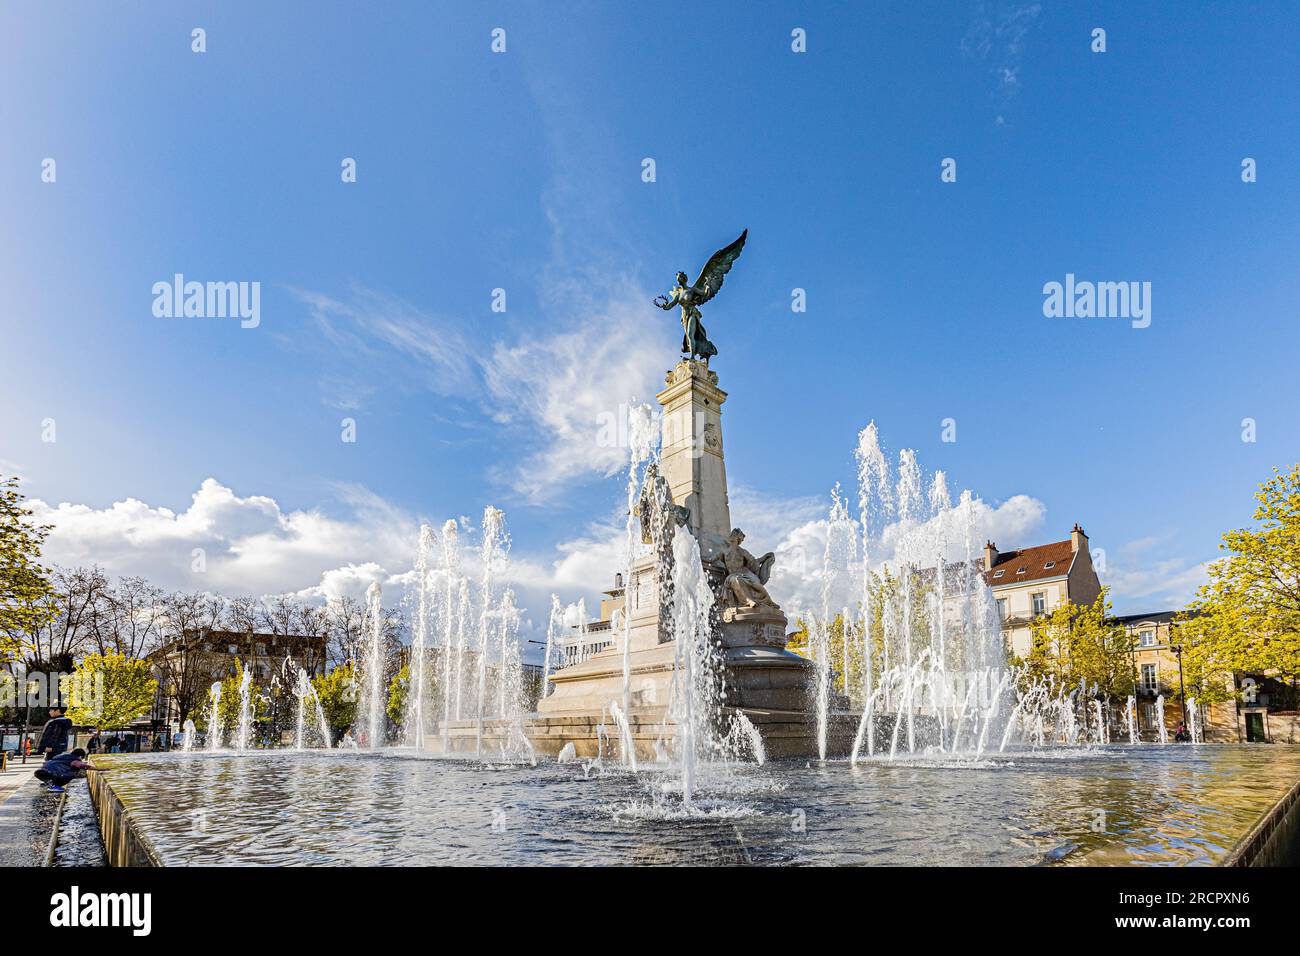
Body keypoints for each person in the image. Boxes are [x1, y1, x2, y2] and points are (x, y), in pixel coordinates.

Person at [34, 748, 98, 793]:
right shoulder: (74, 759)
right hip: (53, 773)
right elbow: (82, 766)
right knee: (73, 773)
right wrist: (98, 769)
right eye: (82, 758)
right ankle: (55, 786)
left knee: (52, 776)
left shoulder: (61, 756)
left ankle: (48, 783)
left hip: (40, 771)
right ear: (80, 756)